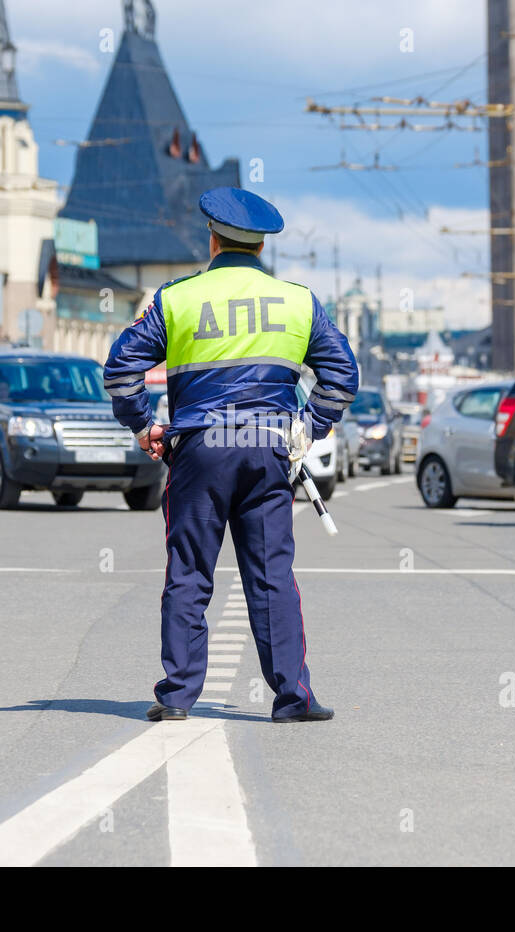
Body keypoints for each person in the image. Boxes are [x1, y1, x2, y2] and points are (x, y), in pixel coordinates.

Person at [104, 187, 359, 723]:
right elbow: (343, 374)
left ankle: (176, 697)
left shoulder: (176, 299)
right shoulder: (298, 301)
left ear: (213, 238)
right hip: (267, 450)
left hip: (201, 451)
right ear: (262, 247)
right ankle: (293, 698)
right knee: (271, 575)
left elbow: (121, 368)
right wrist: (309, 428)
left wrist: (143, 426)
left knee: (190, 572)